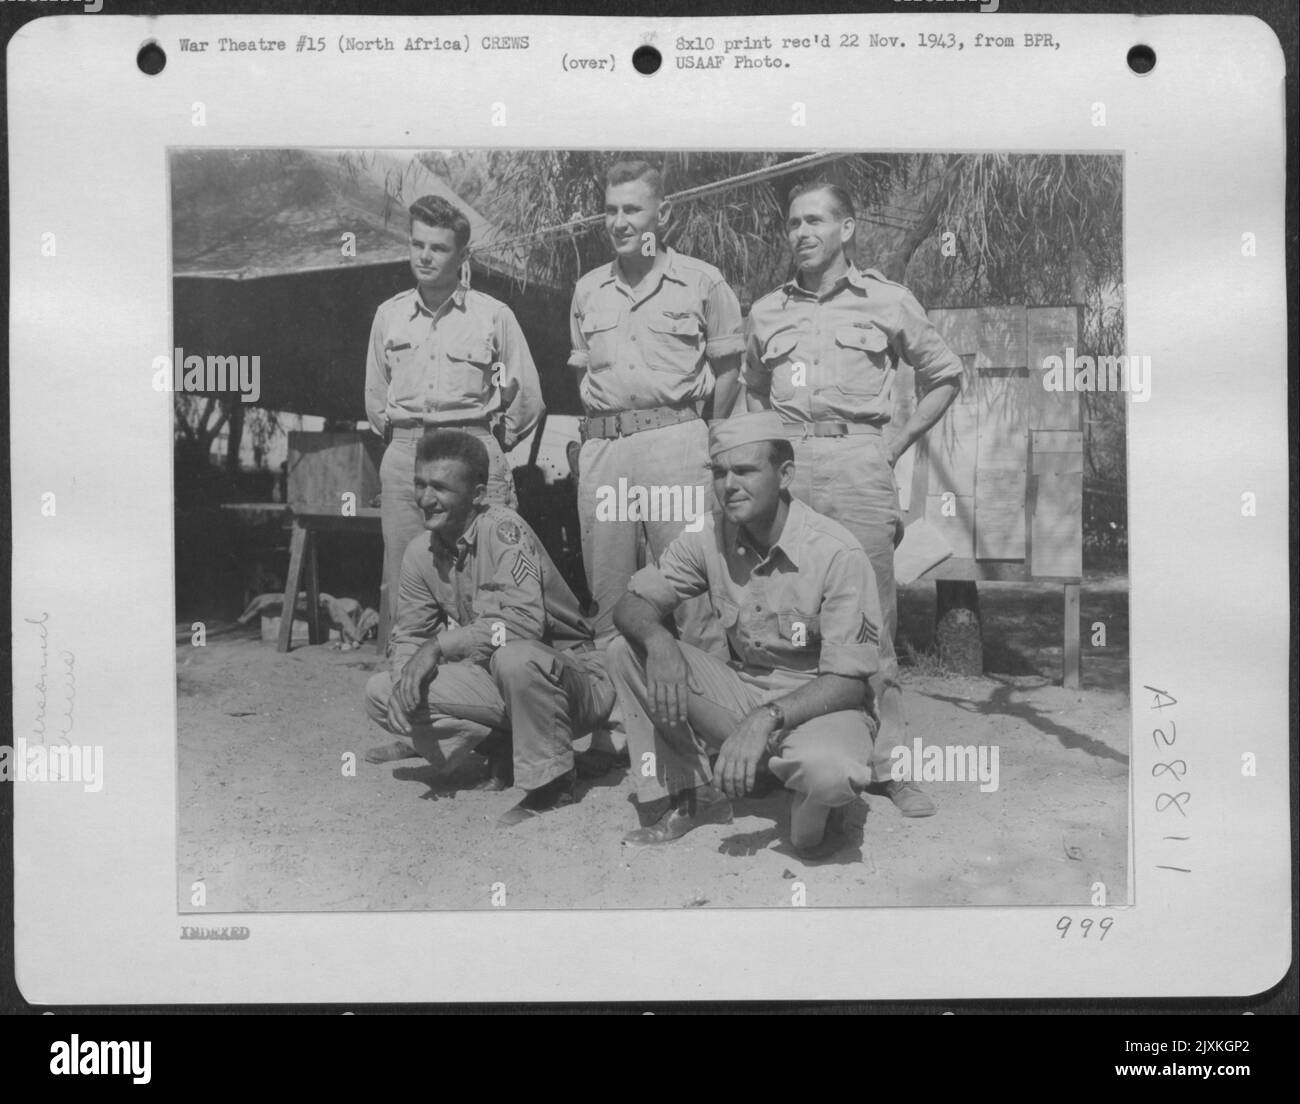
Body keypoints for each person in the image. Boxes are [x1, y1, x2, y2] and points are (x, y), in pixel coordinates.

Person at [745, 181, 964, 818]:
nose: (802, 233)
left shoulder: (887, 301)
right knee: (779, 612)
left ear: (848, 228)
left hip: (858, 464)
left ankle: (888, 766)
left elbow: (945, 375)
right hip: (785, 472)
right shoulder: (765, 311)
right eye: (792, 223)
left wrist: (890, 447)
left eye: (815, 220)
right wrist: (771, 451)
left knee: (872, 622)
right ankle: (784, 755)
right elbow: (754, 390)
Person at [605, 412, 883, 857]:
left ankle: (813, 797)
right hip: (742, 694)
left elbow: (850, 683)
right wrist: (659, 643)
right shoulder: (707, 536)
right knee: (627, 648)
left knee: (828, 778)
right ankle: (696, 792)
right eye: (720, 472)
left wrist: (764, 719)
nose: (729, 484)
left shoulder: (836, 552)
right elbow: (631, 604)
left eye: (746, 470)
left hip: (821, 705)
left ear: (785, 475)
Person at [568, 159, 744, 769]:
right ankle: (621, 733)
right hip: (605, 449)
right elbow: (585, 371)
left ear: (661, 215)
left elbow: (727, 372)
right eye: (610, 210)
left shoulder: (702, 281)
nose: (618, 222)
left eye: (632, 209)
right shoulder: (588, 288)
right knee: (611, 593)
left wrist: (708, 440)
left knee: (690, 593)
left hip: (676, 441)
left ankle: (718, 731)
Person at [363, 430, 614, 826]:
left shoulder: (503, 530)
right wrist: (404, 682)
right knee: (380, 692)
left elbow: (521, 625)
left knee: (515, 657)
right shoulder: (419, 552)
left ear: (478, 494)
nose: (426, 499)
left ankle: (553, 783)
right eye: (420, 484)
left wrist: (439, 647)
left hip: (570, 681)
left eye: (441, 488)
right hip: (499, 680)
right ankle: (503, 748)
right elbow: (409, 634)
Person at [365, 193, 544, 663]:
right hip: (407, 453)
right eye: (417, 244)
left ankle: (495, 703)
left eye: (438, 248)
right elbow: (375, 399)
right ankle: (412, 697)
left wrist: (487, 444)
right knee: (408, 577)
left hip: (472, 451)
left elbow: (525, 398)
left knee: (488, 579)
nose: (424, 256)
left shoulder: (492, 316)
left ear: (462, 256)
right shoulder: (389, 315)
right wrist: (404, 445)